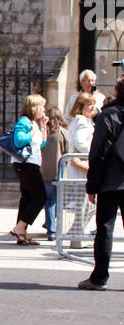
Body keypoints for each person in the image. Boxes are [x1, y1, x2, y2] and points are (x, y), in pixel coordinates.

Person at [80, 74, 124, 289]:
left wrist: (92, 186)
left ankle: (99, 277)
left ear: (117, 92)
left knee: (105, 228)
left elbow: (99, 153)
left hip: (111, 180)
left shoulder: (110, 115)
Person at [8, 93, 48, 245]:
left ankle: (22, 233)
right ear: (34, 108)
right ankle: (20, 227)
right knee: (40, 196)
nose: (43, 110)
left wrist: (42, 127)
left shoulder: (33, 123)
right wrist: (32, 132)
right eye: (41, 107)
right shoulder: (25, 122)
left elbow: (41, 144)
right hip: (26, 164)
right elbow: (19, 141)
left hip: (30, 163)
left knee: (27, 197)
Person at [65, 92, 97, 246]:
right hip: (81, 165)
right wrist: (93, 152)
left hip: (79, 165)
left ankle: (75, 234)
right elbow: (80, 143)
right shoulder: (82, 121)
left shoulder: (82, 121)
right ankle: (76, 237)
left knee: (86, 204)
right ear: (81, 106)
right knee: (85, 203)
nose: (92, 107)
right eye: (89, 104)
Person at [40, 105, 68, 241]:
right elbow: (68, 151)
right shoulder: (62, 132)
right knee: (55, 200)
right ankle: (52, 229)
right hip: (59, 170)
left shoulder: (44, 132)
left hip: (44, 170)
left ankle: (49, 223)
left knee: (49, 200)